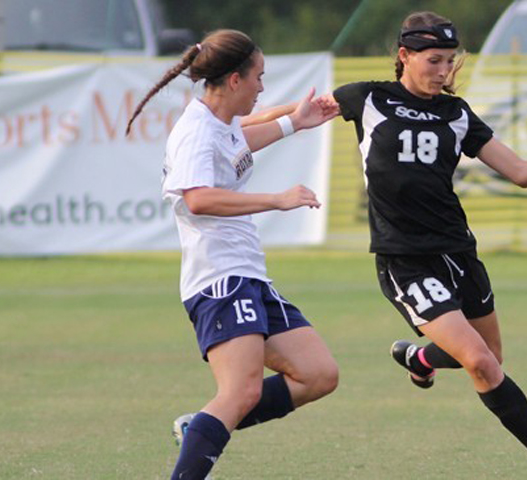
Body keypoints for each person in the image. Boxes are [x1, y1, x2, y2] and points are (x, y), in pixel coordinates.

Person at [318, 11, 527, 480]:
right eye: (434, 60)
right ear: (404, 56)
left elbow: (521, 173)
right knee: (480, 365)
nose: (444, 71)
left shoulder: (457, 114)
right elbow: (296, 116)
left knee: (491, 357)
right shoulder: (367, 99)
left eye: (451, 61)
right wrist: (233, 130)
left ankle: (420, 357)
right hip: (405, 261)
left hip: (459, 253)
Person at [126, 29, 340, 480]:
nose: (263, 87)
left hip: (247, 274)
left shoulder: (218, 122)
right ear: (234, 80)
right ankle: (204, 434)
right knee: (239, 392)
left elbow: (241, 137)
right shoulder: (195, 133)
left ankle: (203, 427)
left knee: (318, 373)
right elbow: (199, 198)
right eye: (259, 77)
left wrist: (297, 121)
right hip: (219, 279)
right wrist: (276, 199)